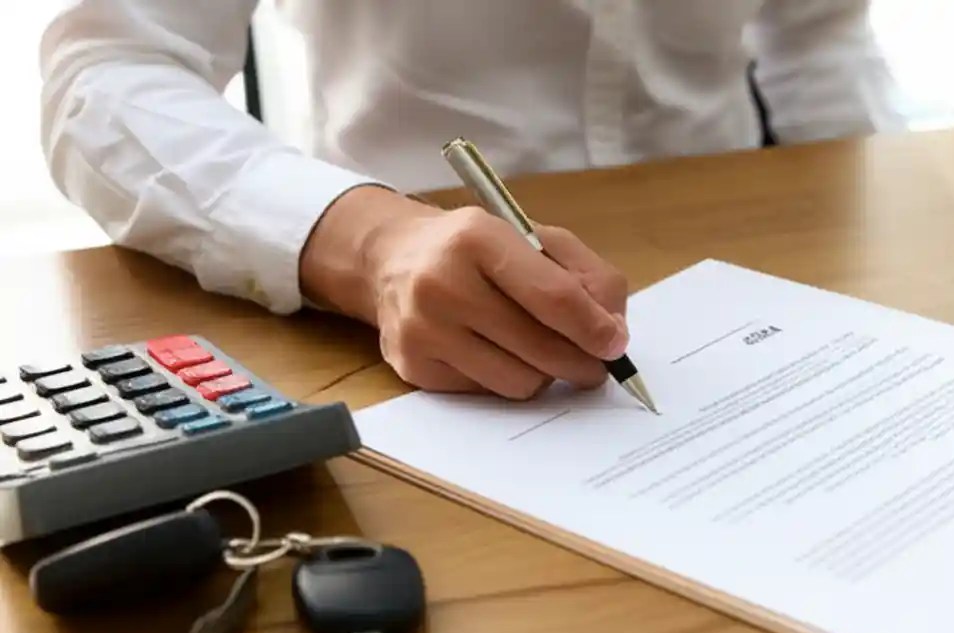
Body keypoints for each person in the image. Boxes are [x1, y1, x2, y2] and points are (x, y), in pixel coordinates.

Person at [39, 1, 904, 400]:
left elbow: (821, 39)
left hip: (759, 284)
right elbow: (104, 77)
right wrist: (370, 244)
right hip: (398, 324)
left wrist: (884, 262)